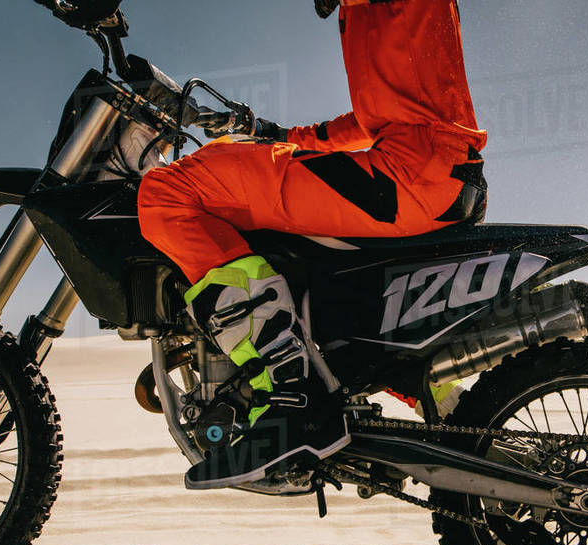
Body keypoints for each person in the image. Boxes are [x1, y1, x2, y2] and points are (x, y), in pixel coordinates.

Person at [138, 0, 487, 490]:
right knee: (309, 267)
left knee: (171, 190)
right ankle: (443, 400)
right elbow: (370, 120)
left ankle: (292, 394)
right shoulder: (369, 17)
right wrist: (278, 134)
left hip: (415, 174)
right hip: (425, 168)